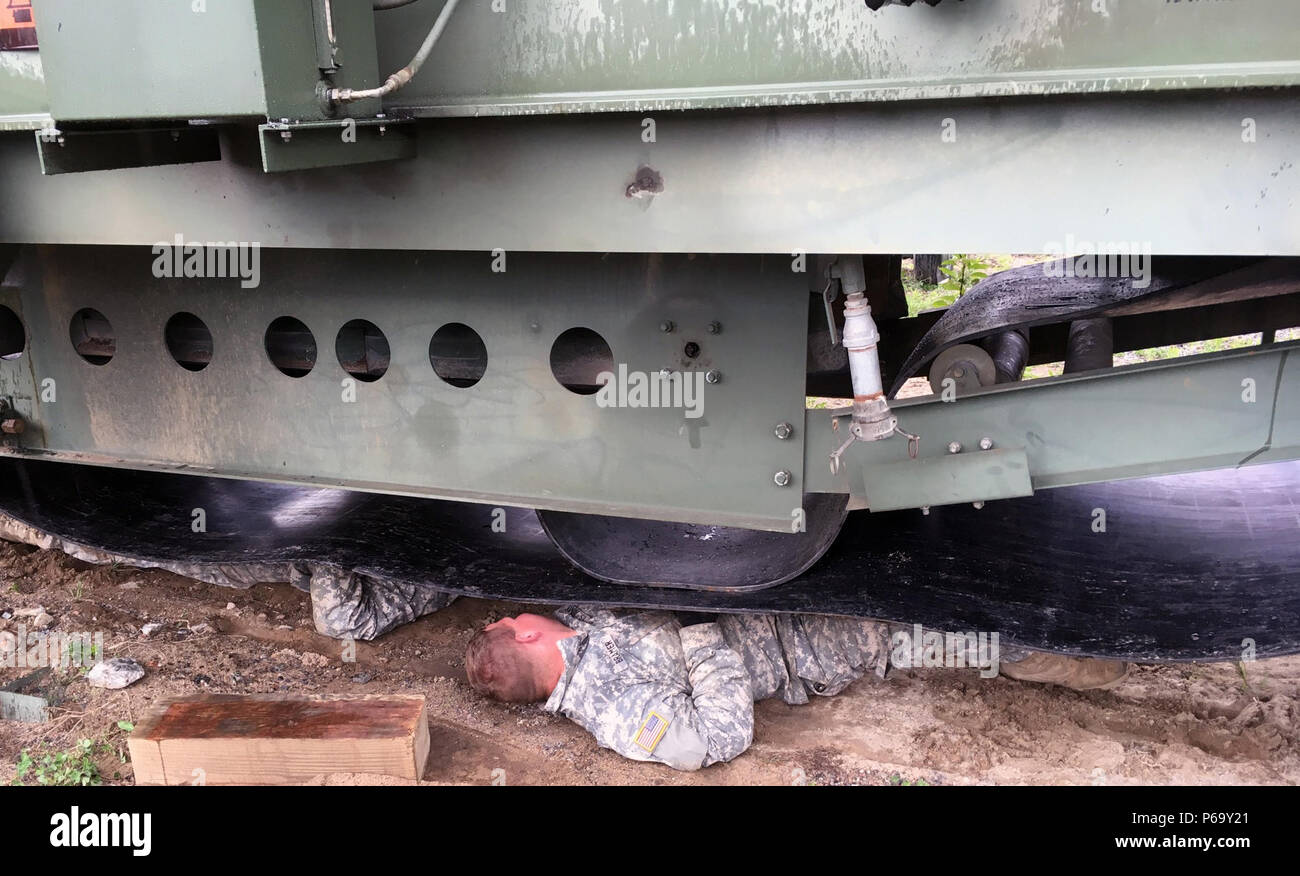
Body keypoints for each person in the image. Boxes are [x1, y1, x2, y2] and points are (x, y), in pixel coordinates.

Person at [465, 606, 1128, 771]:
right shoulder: (613, 715)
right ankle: (1050, 656)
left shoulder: (578, 627)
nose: (526, 612)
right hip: (805, 645)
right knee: (927, 623)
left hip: (777, 590)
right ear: (527, 638)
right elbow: (713, 740)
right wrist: (697, 630)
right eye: (519, 617)